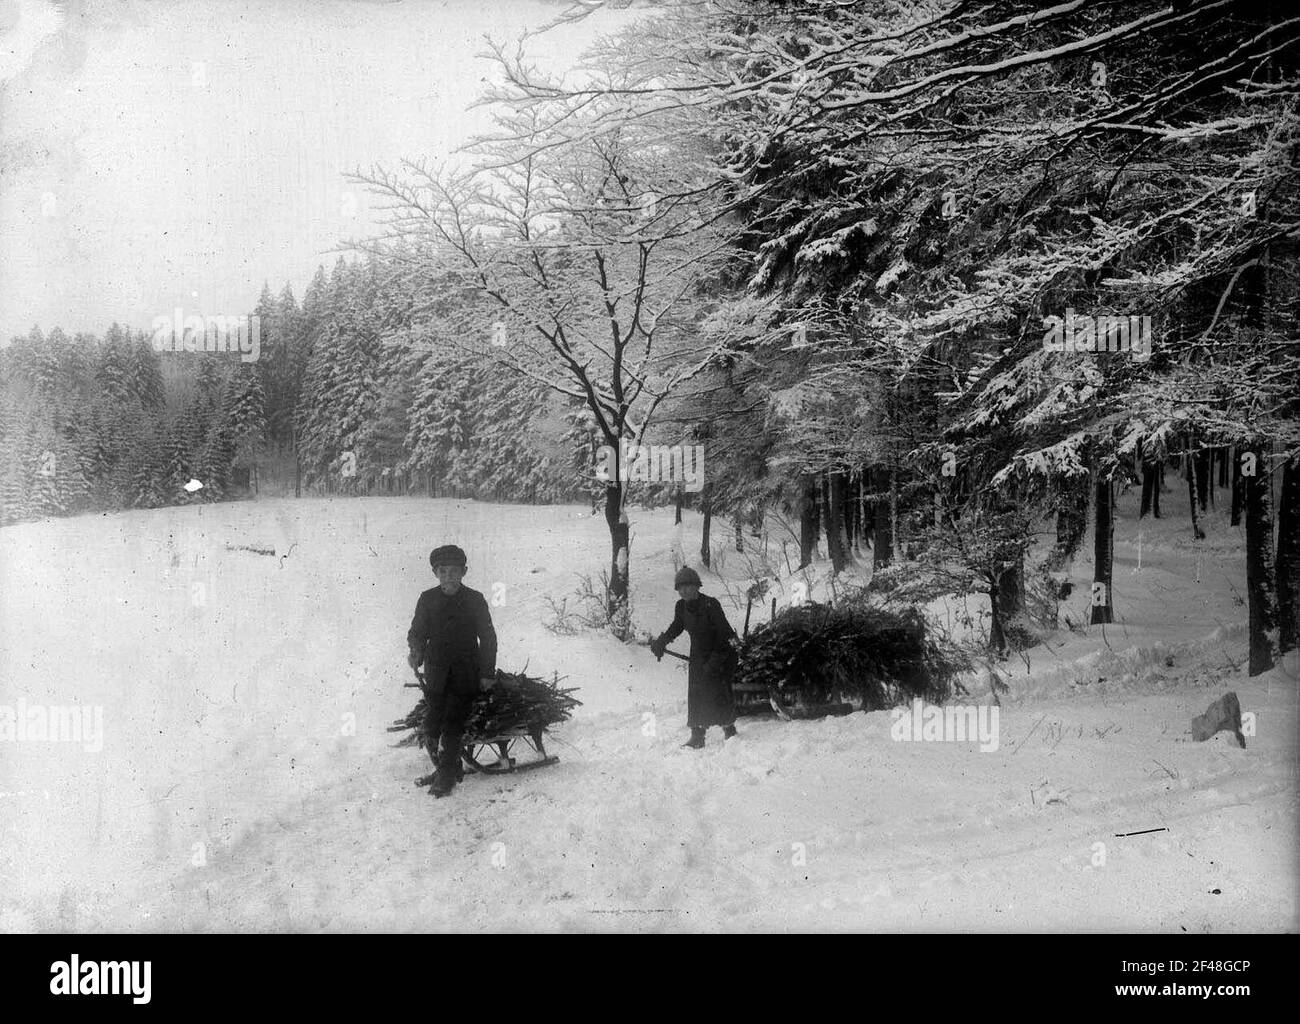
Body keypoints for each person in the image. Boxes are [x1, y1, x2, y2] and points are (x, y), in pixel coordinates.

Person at [407, 544, 498, 797]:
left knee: (452, 723)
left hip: (465, 674)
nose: (448, 577)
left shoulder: (474, 600)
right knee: (431, 724)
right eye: (443, 571)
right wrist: (416, 652)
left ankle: (446, 776)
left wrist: (487, 674)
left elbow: (488, 638)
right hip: (436, 675)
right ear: (435, 573)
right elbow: (417, 632)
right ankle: (447, 766)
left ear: (464, 572)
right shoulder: (427, 599)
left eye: (454, 572)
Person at [650, 566, 739, 748]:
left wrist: (715, 661)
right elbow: (677, 626)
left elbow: (724, 633)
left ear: (697, 586)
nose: (684, 591)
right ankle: (697, 736)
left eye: (688, 586)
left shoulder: (711, 604)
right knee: (696, 693)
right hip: (698, 653)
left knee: (719, 691)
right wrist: (662, 642)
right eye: (680, 587)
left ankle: (730, 730)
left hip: (720, 650)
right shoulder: (681, 607)